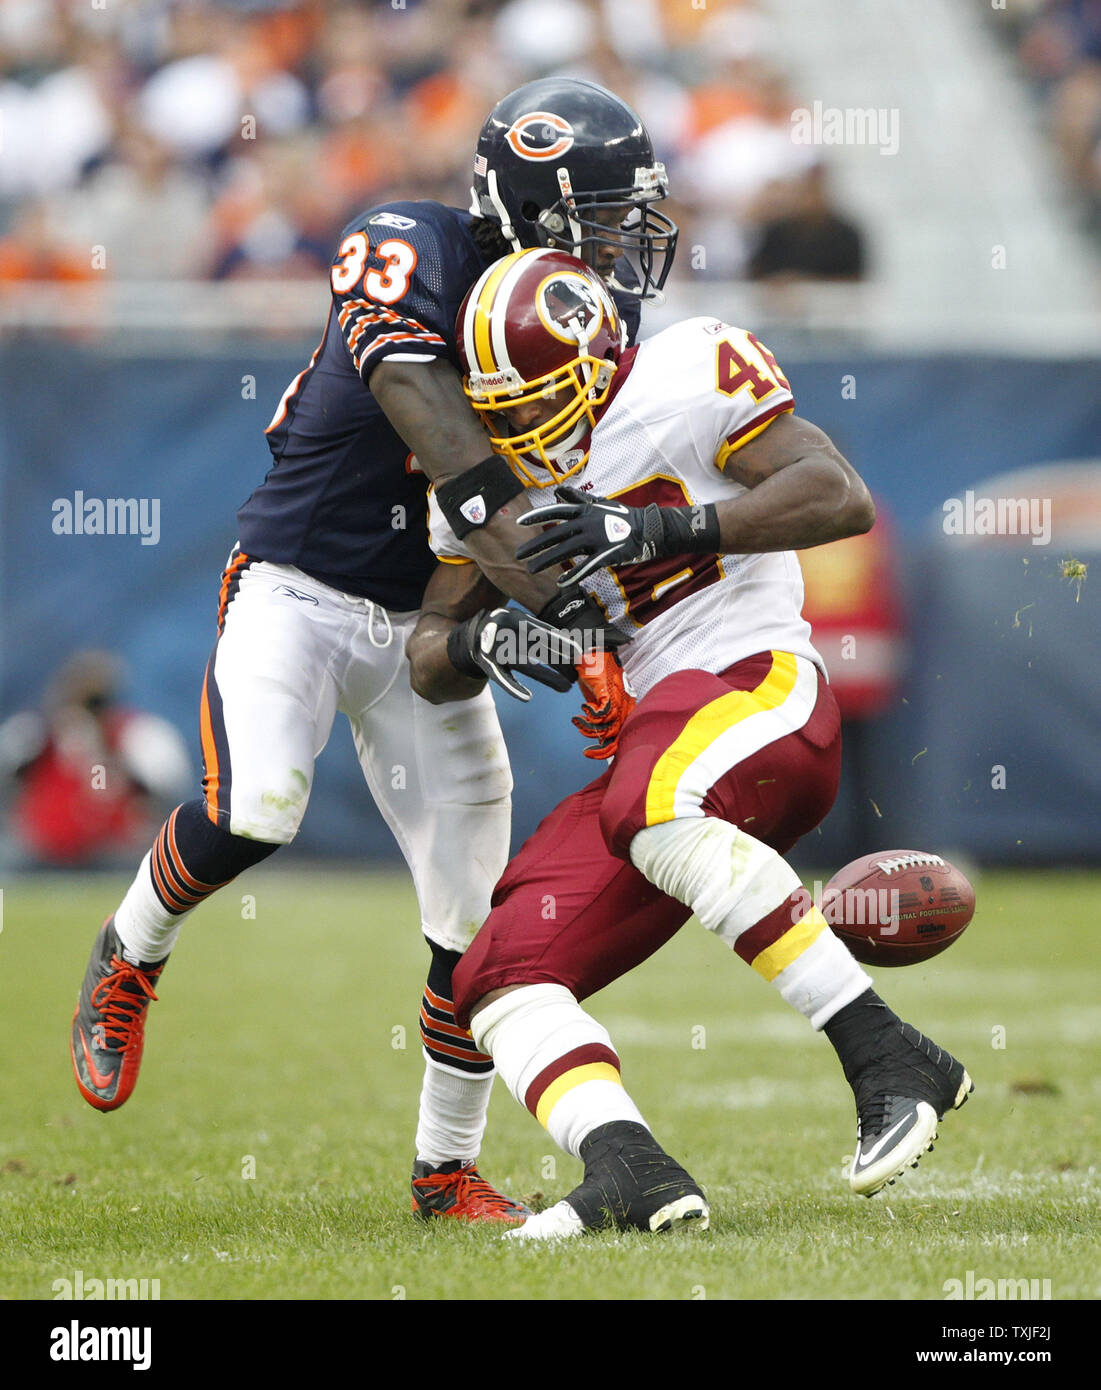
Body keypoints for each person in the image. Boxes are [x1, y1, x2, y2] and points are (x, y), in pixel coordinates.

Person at [69, 78, 677, 1223]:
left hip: (423, 609)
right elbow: (426, 411)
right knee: (257, 808)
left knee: (472, 922)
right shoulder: (406, 244)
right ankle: (129, 954)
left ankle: (444, 1170)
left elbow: (496, 549)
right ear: (533, 204)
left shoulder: (591, 313)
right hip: (301, 581)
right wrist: (551, 587)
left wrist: (540, 617)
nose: (619, 243)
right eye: (599, 212)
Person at [409, 247, 972, 1239]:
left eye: (534, 398)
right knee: (492, 970)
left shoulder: (686, 372)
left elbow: (838, 494)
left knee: (647, 801)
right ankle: (629, 1166)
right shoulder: (487, 479)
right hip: (658, 757)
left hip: (760, 693)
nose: (517, 429)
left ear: (596, 361)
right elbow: (425, 654)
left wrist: (662, 530)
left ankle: (887, 1053)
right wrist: (483, 635)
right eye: (495, 408)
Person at [0, 651, 190, 869]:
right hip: (42, 851)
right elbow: (8, 783)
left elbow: (168, 790)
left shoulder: (136, 735)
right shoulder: (34, 734)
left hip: (116, 852)